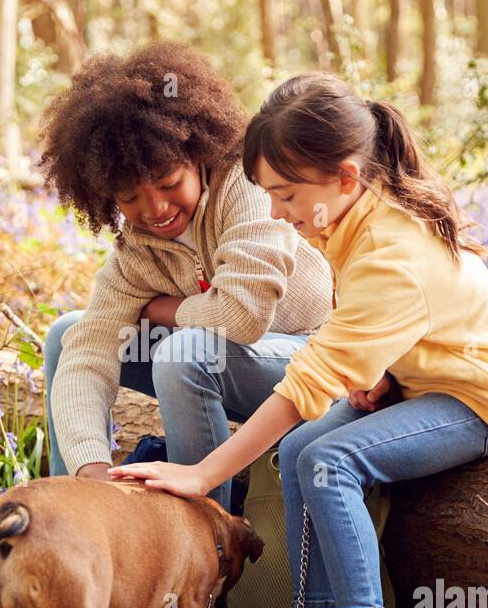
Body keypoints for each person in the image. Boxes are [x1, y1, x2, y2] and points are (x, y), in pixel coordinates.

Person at [112, 72, 488, 608]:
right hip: (419, 383)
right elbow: (384, 334)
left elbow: (307, 383)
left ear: (344, 176)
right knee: (297, 453)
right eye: (268, 195)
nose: (278, 213)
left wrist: (204, 475)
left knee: (326, 458)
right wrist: (384, 374)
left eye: (285, 195)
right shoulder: (352, 217)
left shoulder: (392, 249)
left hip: (479, 401)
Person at [40, 43, 333, 511]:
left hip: (313, 364)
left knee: (184, 350)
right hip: (219, 369)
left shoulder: (247, 186)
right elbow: (91, 350)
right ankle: (72, 510)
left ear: (196, 154)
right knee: (69, 334)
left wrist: (163, 310)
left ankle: (203, 533)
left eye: (168, 183)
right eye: (129, 197)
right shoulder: (137, 251)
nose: (154, 209)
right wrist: (90, 468)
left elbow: (242, 317)